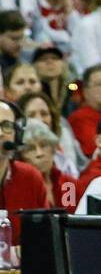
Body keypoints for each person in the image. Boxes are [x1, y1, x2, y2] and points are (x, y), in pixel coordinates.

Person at [0, 98, 49, 244]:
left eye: (6, 126)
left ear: (18, 133)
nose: (0, 133)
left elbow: (45, 236)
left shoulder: (30, 177)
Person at [18, 117, 77, 211]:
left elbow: (73, 216)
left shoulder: (68, 184)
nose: (39, 153)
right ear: (20, 156)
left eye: (44, 145)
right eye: (30, 149)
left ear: (53, 149)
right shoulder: (19, 188)